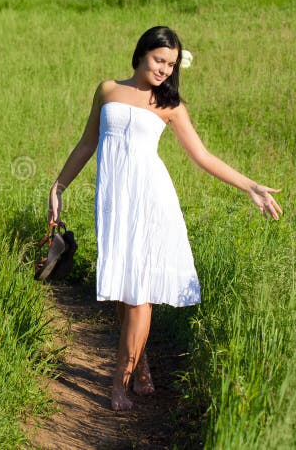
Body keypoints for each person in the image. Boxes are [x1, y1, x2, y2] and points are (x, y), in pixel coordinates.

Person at [46, 26, 282, 411]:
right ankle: (141, 368)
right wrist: (58, 186)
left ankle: (117, 385)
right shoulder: (107, 90)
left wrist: (250, 186)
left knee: (140, 297)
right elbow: (88, 143)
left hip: (150, 202)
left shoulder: (169, 104)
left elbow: (203, 157)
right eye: (160, 60)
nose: (165, 70)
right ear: (141, 54)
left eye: (171, 65)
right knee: (124, 290)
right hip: (113, 203)